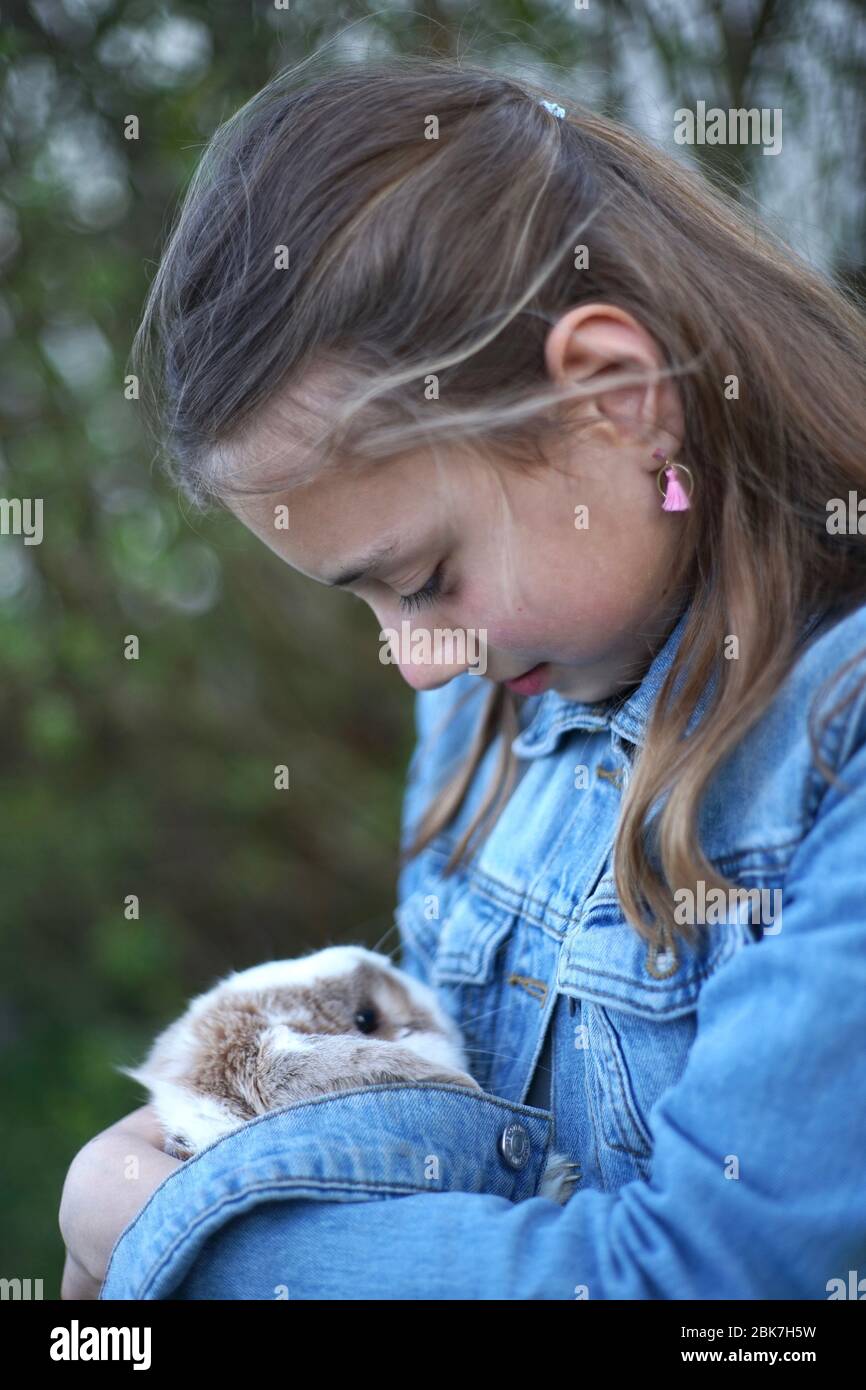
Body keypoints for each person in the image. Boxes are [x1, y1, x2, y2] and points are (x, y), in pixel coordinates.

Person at [59, 55, 866, 1300]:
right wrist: (192, 1152)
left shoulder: (838, 743)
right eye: (368, 604)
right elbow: (464, 1178)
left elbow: (714, 1283)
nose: (417, 665)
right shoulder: (492, 716)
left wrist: (189, 1238)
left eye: (426, 574)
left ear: (614, 400)